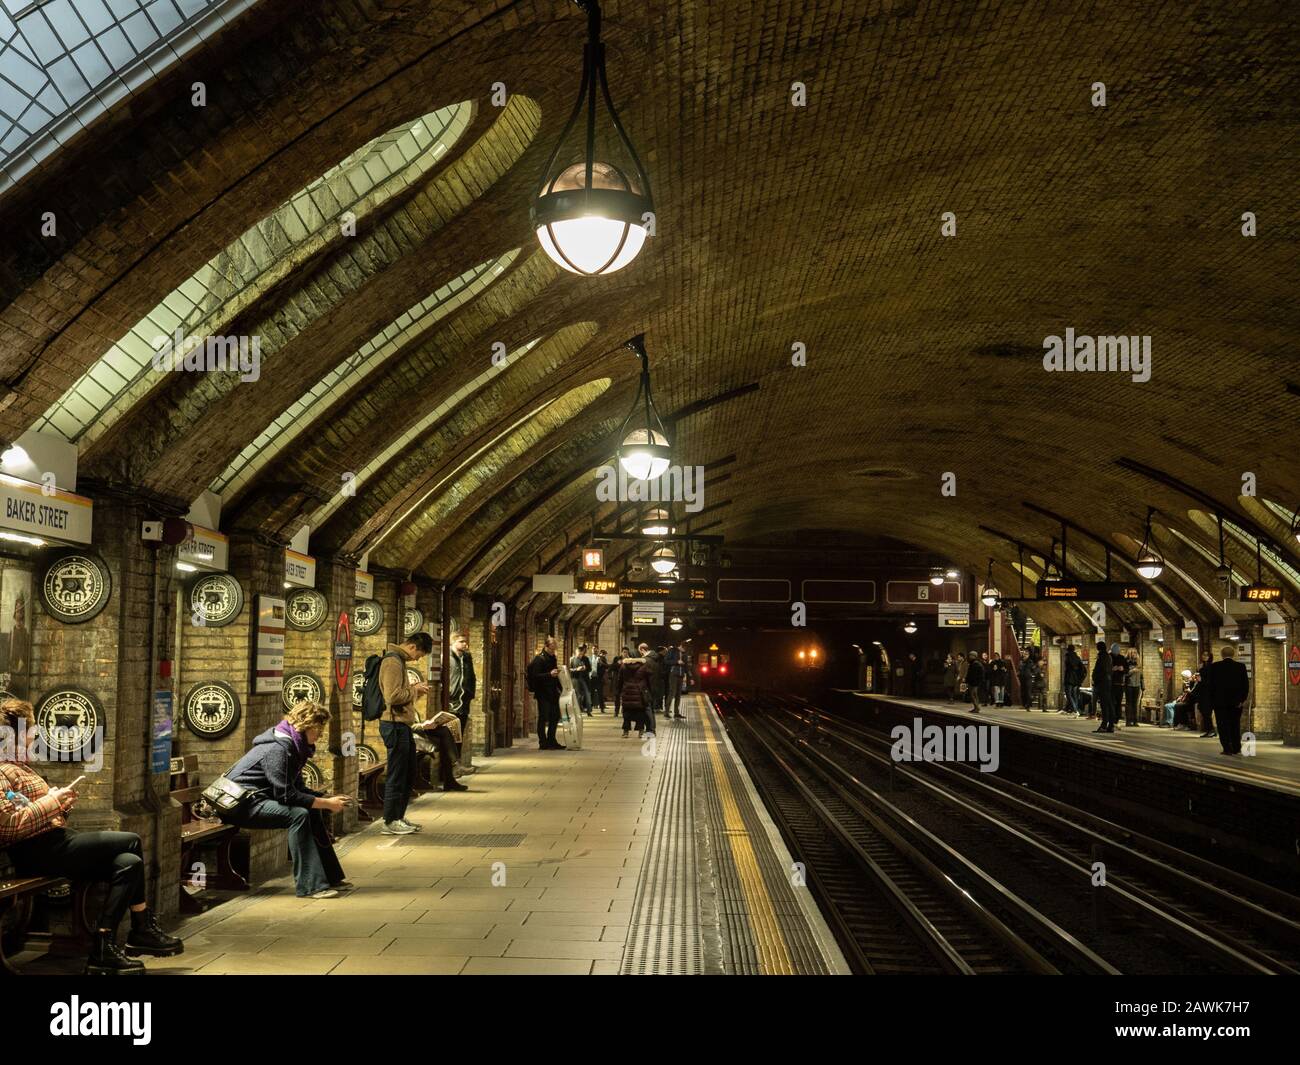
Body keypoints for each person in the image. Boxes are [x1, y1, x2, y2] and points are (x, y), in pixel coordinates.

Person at [0, 698, 183, 974]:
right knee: (131, 840)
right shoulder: (2, 769)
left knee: (128, 863)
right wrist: (51, 801)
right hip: (35, 850)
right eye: (30, 729)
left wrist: (60, 804)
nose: (34, 734)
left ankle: (103, 943)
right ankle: (141, 928)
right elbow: (8, 827)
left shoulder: (21, 765)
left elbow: (33, 811)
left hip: (54, 841)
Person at [220, 699, 355, 896]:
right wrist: (326, 803)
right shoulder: (278, 749)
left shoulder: (292, 746)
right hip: (240, 804)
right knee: (299, 814)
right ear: (305, 725)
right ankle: (310, 886)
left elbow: (297, 787)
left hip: (256, 799)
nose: (321, 734)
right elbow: (285, 795)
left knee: (312, 810)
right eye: (318, 728)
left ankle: (330, 877)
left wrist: (326, 798)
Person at [374, 630, 434, 833]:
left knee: (408, 772)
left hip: (402, 724)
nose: (419, 659)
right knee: (397, 774)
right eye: (421, 654)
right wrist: (415, 690)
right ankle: (390, 820)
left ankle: (399, 816)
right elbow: (392, 697)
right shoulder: (392, 662)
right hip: (393, 724)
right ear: (413, 647)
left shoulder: (399, 661)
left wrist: (413, 689)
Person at [1204, 645, 1250, 755]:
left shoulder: (1215, 667)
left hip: (1220, 703)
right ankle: (1236, 747)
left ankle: (1226, 748)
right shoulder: (1240, 666)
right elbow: (1245, 685)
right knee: (1235, 724)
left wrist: (1212, 702)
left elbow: (1210, 686)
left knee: (1222, 725)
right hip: (1236, 703)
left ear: (1222, 655)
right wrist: (1241, 700)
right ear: (1233, 654)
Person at [528, 636, 564, 750]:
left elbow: (555, 675)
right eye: (553, 646)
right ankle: (542, 742)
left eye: (555, 646)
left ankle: (551, 740)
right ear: (547, 646)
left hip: (553, 692)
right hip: (543, 693)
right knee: (543, 717)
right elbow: (535, 676)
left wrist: (562, 688)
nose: (555, 648)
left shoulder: (553, 657)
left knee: (555, 716)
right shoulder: (539, 659)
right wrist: (549, 674)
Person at [447, 630, 476, 771]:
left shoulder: (467, 657)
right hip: (451, 702)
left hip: (464, 702)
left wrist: (470, 694)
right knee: (451, 735)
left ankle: (456, 765)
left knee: (459, 736)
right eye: (461, 641)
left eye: (465, 641)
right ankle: (452, 767)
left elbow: (472, 677)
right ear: (453, 642)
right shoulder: (447, 657)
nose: (465, 644)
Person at [619, 650, 651, 736]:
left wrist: (618, 691)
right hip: (639, 692)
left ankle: (625, 732)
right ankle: (640, 731)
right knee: (640, 713)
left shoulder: (624, 666)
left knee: (627, 713)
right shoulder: (643, 666)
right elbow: (648, 680)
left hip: (627, 692)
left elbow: (620, 680)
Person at [1092, 641, 1114, 733]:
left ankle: (1104, 725)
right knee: (1109, 704)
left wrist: (1095, 679)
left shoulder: (1102, 657)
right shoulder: (1108, 657)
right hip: (1107, 683)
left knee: (1105, 705)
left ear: (1098, 648)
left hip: (1102, 684)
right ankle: (1111, 725)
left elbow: (1101, 670)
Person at [1196, 650, 1217, 738]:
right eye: (1203, 655)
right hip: (1202, 692)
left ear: (1209, 657)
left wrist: (1202, 680)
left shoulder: (1211, 667)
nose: (1204, 656)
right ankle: (1208, 730)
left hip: (1208, 693)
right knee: (1203, 711)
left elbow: (1211, 681)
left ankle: (1211, 730)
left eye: (1206, 655)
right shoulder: (1202, 666)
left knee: (1207, 712)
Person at [644, 644, 665, 728]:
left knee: (647, 708)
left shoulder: (646, 661)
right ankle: (652, 728)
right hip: (655, 686)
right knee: (651, 708)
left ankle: (650, 728)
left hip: (647, 687)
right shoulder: (657, 661)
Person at [569, 644, 592, 716]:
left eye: (581, 654)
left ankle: (589, 711)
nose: (580, 656)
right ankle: (578, 711)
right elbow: (569, 669)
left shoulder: (586, 659)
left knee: (587, 694)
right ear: (576, 652)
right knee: (577, 695)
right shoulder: (572, 659)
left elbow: (590, 669)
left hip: (584, 679)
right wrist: (576, 669)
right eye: (579, 654)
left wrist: (585, 668)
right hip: (575, 679)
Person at [1062, 645, 1085, 716]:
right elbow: (1082, 668)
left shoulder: (1068, 657)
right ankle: (1073, 710)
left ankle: (1075, 710)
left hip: (1069, 678)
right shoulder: (1077, 658)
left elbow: (1068, 668)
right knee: (1074, 695)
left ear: (1068, 650)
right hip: (1076, 679)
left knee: (1068, 694)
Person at [665, 644, 686, 719]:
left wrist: (687, 675)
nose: (684, 650)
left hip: (681, 675)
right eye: (683, 648)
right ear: (680, 646)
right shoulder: (672, 651)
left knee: (678, 695)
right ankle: (666, 712)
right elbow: (666, 661)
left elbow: (686, 665)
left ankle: (676, 713)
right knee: (672, 693)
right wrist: (677, 662)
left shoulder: (684, 654)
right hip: (673, 675)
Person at [1124, 649, 1143, 726]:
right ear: (1129, 654)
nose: (1134, 654)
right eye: (1133, 653)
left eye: (1135, 653)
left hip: (1137, 685)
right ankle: (1128, 721)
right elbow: (1124, 674)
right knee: (1129, 703)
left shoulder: (1138, 664)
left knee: (1135, 703)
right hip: (1129, 685)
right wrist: (1132, 671)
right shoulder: (1126, 663)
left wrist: (1143, 686)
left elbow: (1141, 677)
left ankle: (1135, 721)